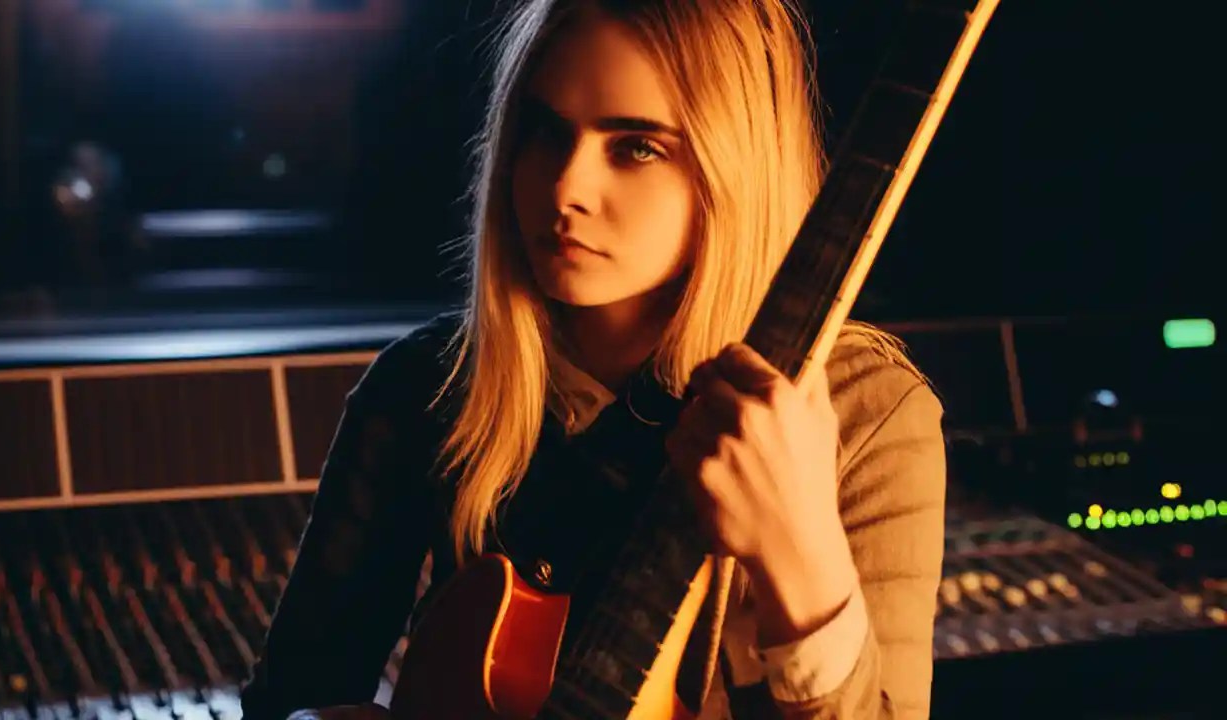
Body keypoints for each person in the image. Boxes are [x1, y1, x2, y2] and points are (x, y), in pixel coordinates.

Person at [239, 0, 946, 718]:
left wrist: (801, 557)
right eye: (545, 131)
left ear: (733, 168)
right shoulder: (424, 387)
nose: (564, 189)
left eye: (636, 146)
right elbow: (290, 700)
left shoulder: (867, 414)